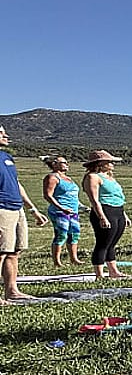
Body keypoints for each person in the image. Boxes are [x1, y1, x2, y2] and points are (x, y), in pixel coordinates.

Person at [0, 125, 49, 303]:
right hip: (1, 208)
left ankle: (12, 290)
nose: (5, 135)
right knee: (1, 251)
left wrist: (32, 209)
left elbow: (16, 183)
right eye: (0, 132)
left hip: (16, 207)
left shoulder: (6, 157)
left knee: (15, 251)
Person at [81, 150, 131, 280]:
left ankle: (113, 271)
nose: (112, 164)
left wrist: (124, 215)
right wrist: (102, 217)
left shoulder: (110, 177)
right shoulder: (93, 177)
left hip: (117, 210)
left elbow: (117, 196)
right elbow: (94, 199)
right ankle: (99, 274)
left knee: (112, 243)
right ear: (101, 163)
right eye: (109, 161)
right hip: (105, 210)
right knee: (103, 243)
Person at [41, 155, 83, 267]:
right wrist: (61, 208)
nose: (66, 164)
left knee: (74, 234)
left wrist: (81, 206)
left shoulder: (68, 179)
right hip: (59, 211)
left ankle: (74, 259)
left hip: (73, 211)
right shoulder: (52, 177)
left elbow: (73, 196)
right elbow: (48, 195)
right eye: (63, 162)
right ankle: (57, 262)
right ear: (55, 164)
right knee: (61, 234)